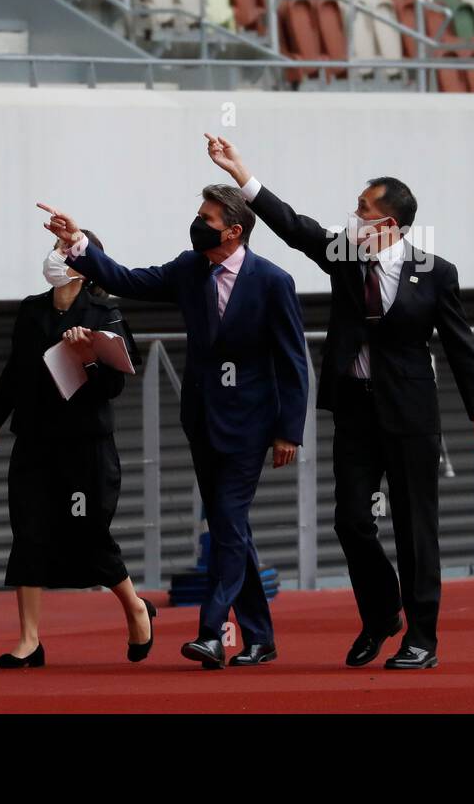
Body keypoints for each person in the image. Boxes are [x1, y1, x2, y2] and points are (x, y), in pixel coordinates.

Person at [205, 133, 474, 670]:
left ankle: (422, 638)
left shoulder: (435, 272)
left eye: (363, 209)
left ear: (388, 224)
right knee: (351, 521)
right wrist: (241, 173)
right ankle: (383, 612)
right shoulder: (342, 255)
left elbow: (459, 340)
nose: (353, 216)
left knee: (415, 527)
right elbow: (293, 227)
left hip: (411, 415)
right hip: (356, 411)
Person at [37, 188, 309, 669]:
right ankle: (261, 638)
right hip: (203, 418)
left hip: (251, 424)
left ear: (234, 230)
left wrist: (290, 430)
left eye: (206, 217)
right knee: (231, 526)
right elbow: (127, 279)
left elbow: (293, 361)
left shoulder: (272, 281)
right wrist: (77, 241)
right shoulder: (189, 268)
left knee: (226, 521)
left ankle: (210, 632)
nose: (196, 222)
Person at [0, 231, 156, 669]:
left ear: (87, 266)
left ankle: (136, 608)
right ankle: (29, 640)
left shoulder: (104, 312)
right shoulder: (31, 311)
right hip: (34, 439)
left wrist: (88, 354)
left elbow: (114, 385)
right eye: (56, 250)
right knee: (28, 532)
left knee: (89, 536)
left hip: (85, 445)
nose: (55, 258)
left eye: (67, 252)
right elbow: (14, 374)